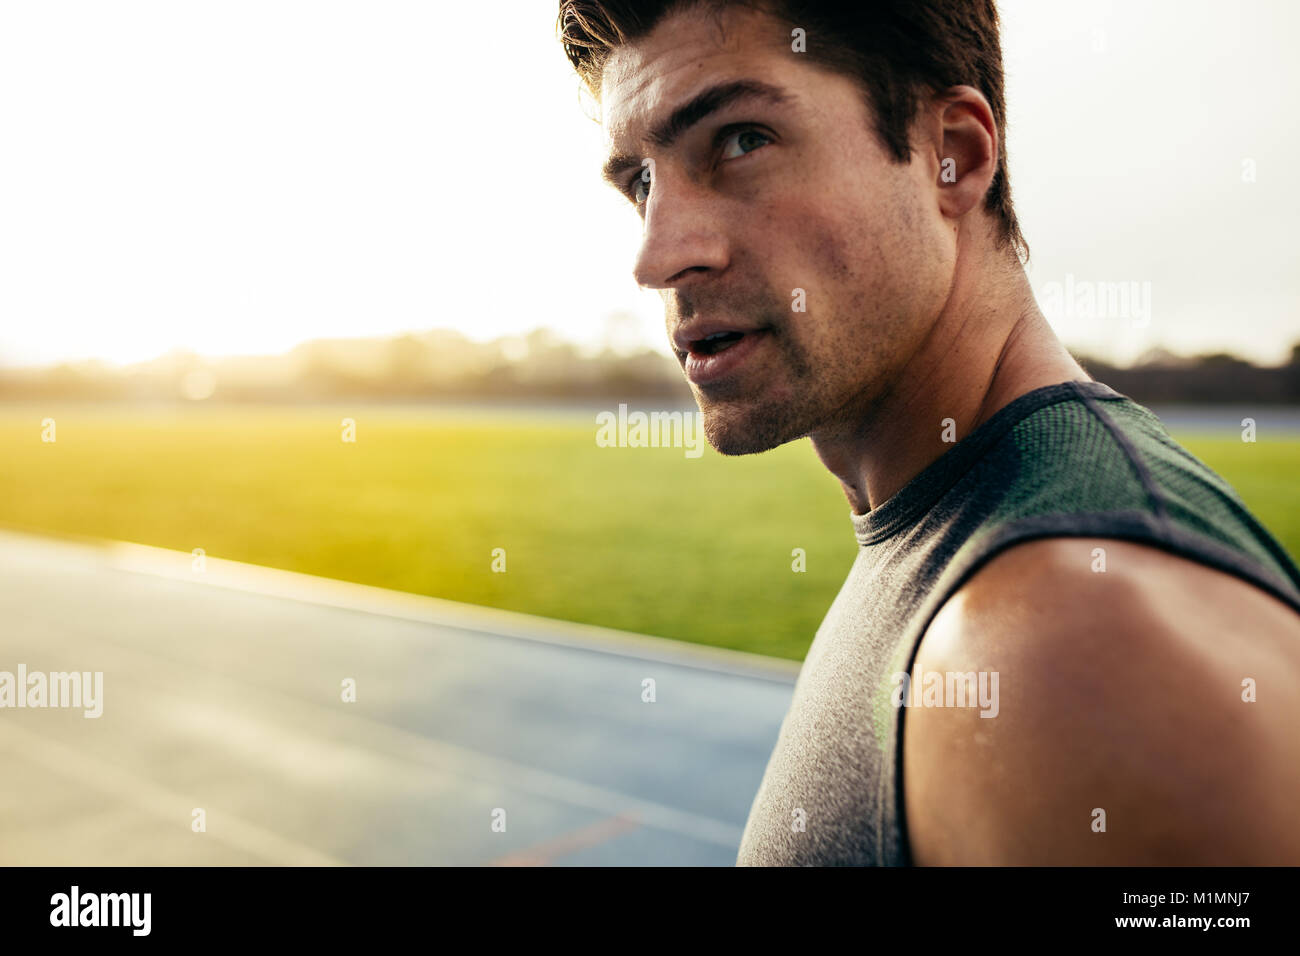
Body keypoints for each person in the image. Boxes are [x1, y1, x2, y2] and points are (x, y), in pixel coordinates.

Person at [557, 0, 1300, 864]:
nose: (657, 256)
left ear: (953, 156)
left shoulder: (1072, 641)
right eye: (641, 183)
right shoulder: (949, 534)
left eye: (740, 140)